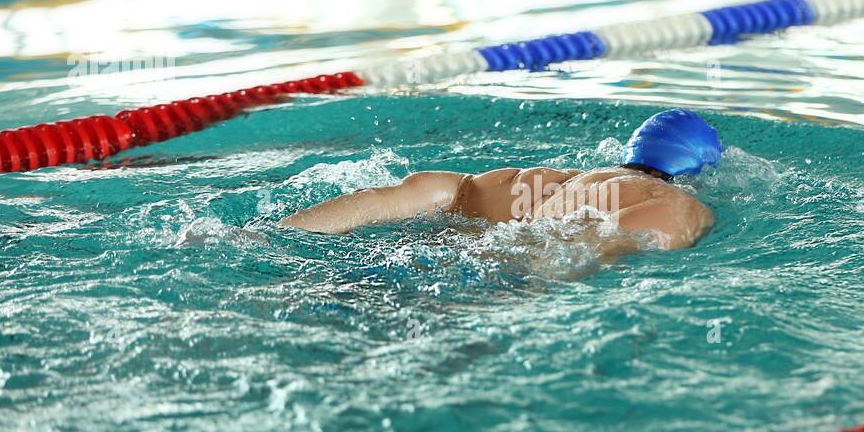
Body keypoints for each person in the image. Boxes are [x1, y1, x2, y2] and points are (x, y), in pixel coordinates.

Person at [280, 108, 722, 252]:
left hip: (397, 256)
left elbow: (425, 189)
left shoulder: (527, 181)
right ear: (693, 175)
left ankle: (262, 237)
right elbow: (578, 250)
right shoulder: (676, 203)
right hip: (472, 290)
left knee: (438, 187)